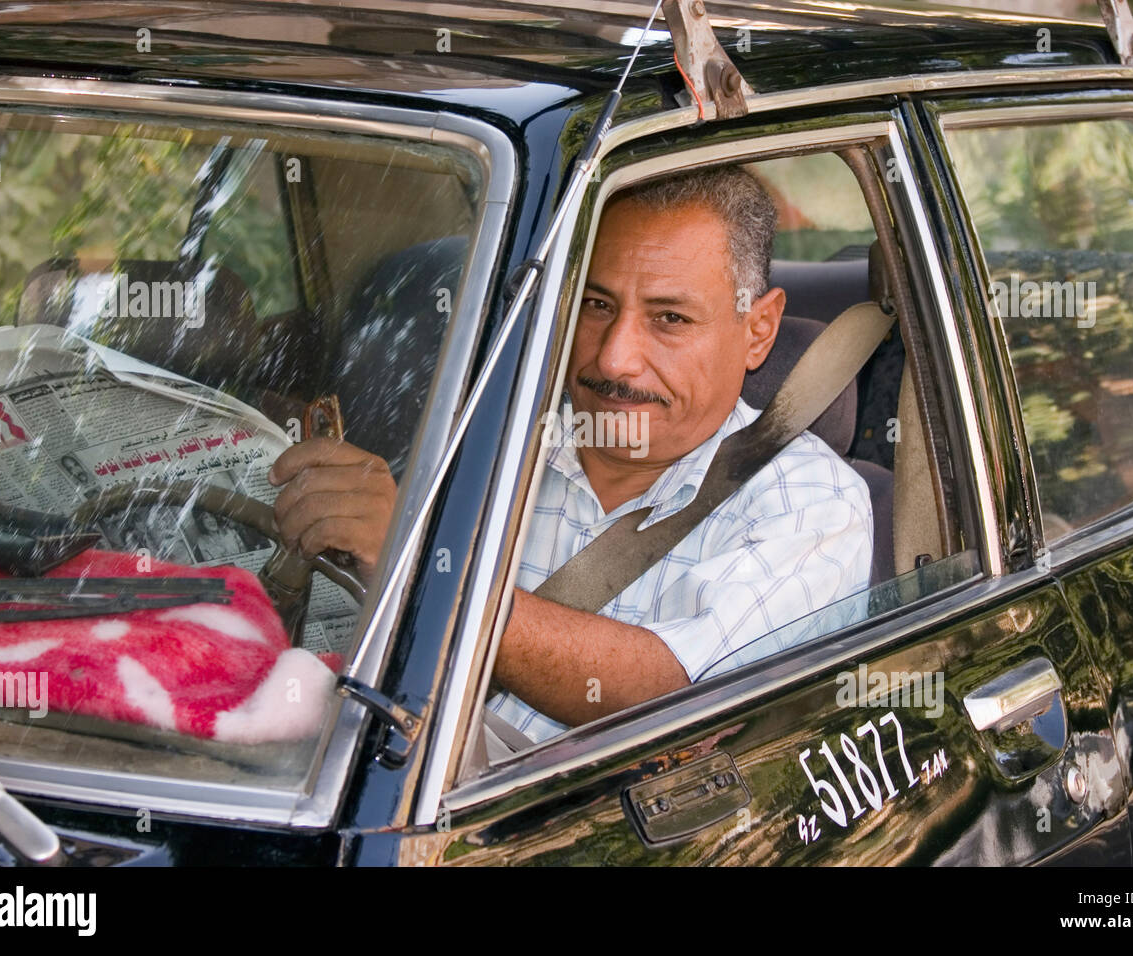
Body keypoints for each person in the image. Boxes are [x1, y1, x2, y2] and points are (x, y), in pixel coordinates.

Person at [268, 165, 873, 744]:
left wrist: (419, 567)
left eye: (669, 318)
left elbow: (675, 695)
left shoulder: (811, 504)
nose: (614, 359)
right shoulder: (482, 446)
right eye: (597, 305)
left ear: (759, 329)